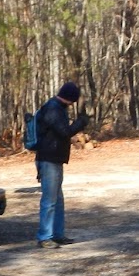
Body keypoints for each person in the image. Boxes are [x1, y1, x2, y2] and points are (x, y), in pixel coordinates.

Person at [34, 81, 90, 249]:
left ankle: (57, 235)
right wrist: (80, 122)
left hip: (55, 158)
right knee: (49, 201)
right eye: (73, 100)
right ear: (69, 98)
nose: (73, 103)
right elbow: (64, 132)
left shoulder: (58, 108)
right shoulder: (52, 109)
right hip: (48, 159)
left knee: (57, 200)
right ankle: (45, 237)